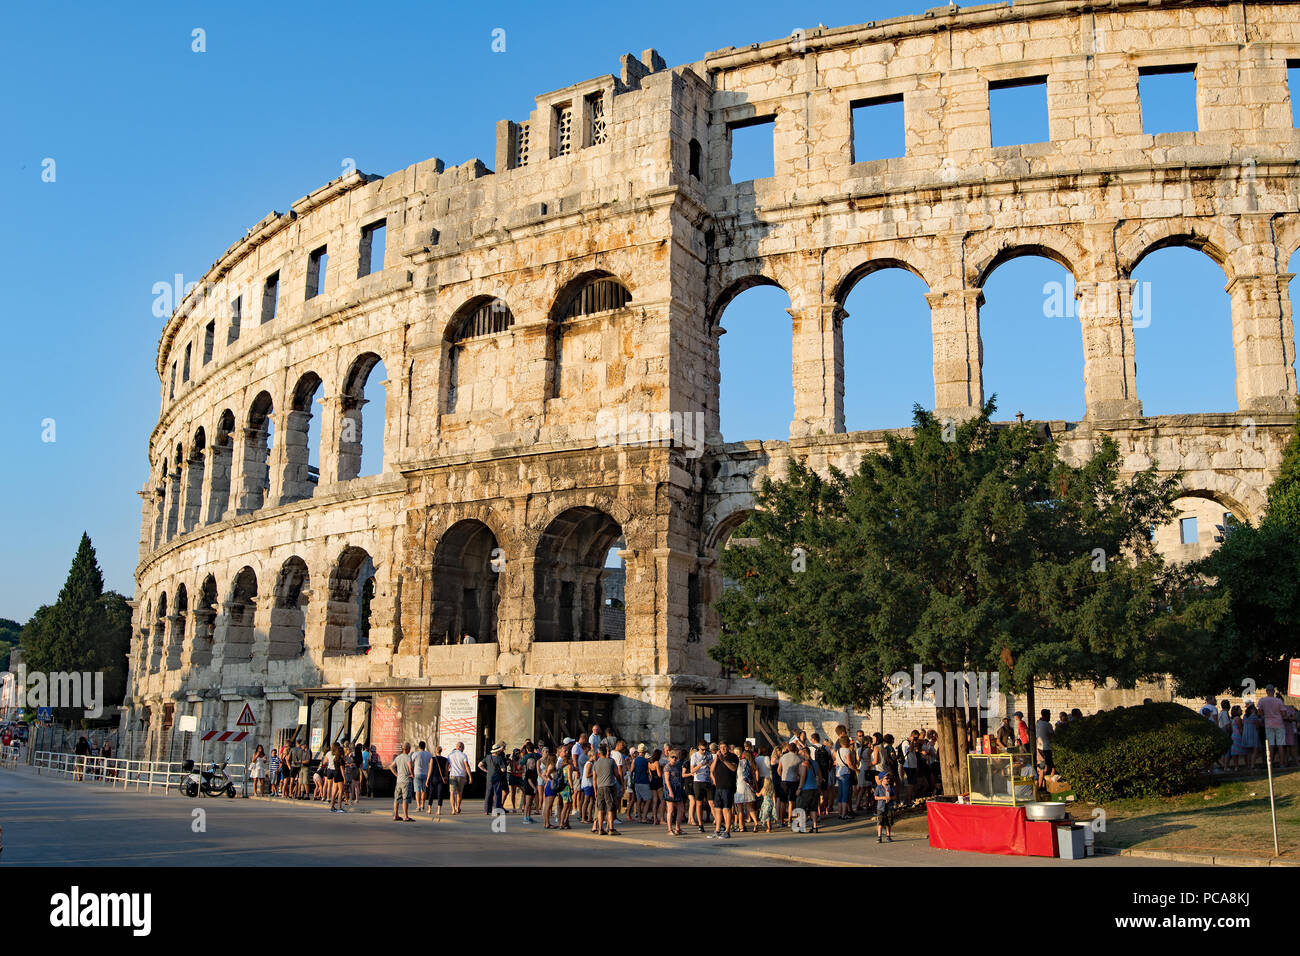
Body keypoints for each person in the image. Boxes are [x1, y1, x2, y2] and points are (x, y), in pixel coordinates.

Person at [591, 743, 622, 835]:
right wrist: (621, 783)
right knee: (610, 808)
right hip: (609, 786)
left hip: (600, 787)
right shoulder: (611, 761)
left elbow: (594, 779)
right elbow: (617, 774)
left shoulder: (596, 764)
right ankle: (611, 828)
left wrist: (595, 790)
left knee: (600, 808)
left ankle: (600, 828)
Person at [709, 742, 738, 839]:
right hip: (718, 787)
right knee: (717, 809)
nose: (723, 749)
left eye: (724, 747)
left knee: (727, 809)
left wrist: (723, 760)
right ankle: (717, 830)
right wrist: (717, 758)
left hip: (728, 786)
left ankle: (727, 830)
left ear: (728, 748)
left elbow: (733, 768)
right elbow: (712, 770)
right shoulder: (717, 758)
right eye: (721, 748)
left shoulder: (733, 757)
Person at [1257, 684, 1286, 766]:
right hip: (1279, 723)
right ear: (1273, 691)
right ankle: (1282, 763)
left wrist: (1265, 715)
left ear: (1266, 691)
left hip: (1268, 724)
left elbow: (1259, 712)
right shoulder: (1278, 701)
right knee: (1281, 744)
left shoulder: (1262, 700)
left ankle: (1270, 763)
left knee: (1271, 744)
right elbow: (1283, 713)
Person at [796, 746, 821, 833]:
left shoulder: (804, 764)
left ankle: (801, 826)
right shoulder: (815, 763)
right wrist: (818, 786)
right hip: (814, 788)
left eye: (801, 753)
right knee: (813, 808)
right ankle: (815, 826)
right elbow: (820, 776)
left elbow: (803, 777)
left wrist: (799, 788)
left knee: (802, 808)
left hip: (806, 788)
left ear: (804, 753)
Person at [689, 741, 712, 833]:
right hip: (698, 781)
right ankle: (700, 824)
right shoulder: (695, 756)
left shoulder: (709, 755)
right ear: (699, 748)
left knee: (711, 803)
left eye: (705, 749)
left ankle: (717, 822)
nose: (704, 751)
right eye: (702, 749)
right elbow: (692, 771)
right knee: (699, 803)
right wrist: (700, 765)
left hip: (708, 780)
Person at [479, 742, 508, 815]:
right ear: (498, 751)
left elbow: (480, 765)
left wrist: (486, 770)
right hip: (497, 777)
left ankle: (486, 810)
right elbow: (503, 769)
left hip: (489, 777)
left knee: (488, 793)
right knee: (497, 794)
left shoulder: (488, 757)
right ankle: (497, 810)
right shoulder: (499, 758)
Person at [663, 748, 686, 835]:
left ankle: (677, 827)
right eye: (672, 757)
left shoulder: (677, 766)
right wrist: (670, 791)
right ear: (669, 758)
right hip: (670, 788)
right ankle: (669, 829)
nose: (674, 759)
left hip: (678, 788)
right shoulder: (667, 767)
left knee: (681, 808)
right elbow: (667, 780)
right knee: (670, 810)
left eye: (676, 757)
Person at [390, 742, 414, 822]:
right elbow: (410, 766)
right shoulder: (408, 757)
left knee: (397, 798)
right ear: (407, 749)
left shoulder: (398, 757)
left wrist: (396, 774)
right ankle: (405, 816)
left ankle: (395, 815)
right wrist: (412, 774)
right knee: (405, 798)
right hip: (406, 780)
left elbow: (391, 766)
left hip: (399, 780)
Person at [446, 741, 471, 814]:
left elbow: (447, 766)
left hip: (452, 775)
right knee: (459, 793)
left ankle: (453, 809)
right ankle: (458, 807)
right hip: (461, 776)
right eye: (463, 747)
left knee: (452, 793)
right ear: (461, 747)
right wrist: (470, 776)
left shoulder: (450, 755)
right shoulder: (463, 755)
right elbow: (466, 766)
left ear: (457, 747)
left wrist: (445, 775)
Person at [874, 771, 896, 843]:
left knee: (888, 822)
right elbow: (876, 797)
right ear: (881, 779)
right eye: (886, 778)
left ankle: (888, 836)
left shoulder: (891, 787)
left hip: (889, 806)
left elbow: (894, 796)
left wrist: (890, 798)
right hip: (881, 807)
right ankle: (879, 837)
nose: (888, 780)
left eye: (889, 778)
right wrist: (883, 798)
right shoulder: (878, 788)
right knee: (880, 822)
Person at [411, 741, 432, 814]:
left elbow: (411, 762)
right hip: (425, 773)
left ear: (419, 746)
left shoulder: (415, 754)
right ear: (424, 746)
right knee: (424, 790)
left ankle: (418, 806)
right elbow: (431, 763)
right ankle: (423, 805)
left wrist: (411, 772)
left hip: (417, 773)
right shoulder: (428, 754)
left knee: (417, 790)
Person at [428, 745, 450, 817]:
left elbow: (430, 770)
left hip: (433, 777)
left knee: (431, 793)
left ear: (435, 751)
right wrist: (446, 777)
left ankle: (429, 809)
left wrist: (427, 779)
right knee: (440, 794)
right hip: (441, 778)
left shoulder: (432, 759)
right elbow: (446, 770)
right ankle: (438, 810)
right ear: (441, 751)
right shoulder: (445, 759)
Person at [1034, 709, 1054, 788]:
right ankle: (1049, 785)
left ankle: (1041, 784)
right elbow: (1052, 735)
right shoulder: (1048, 725)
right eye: (1049, 715)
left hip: (1039, 749)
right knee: (1052, 767)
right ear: (1046, 715)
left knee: (1042, 768)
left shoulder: (1038, 724)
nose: (1050, 717)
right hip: (1047, 749)